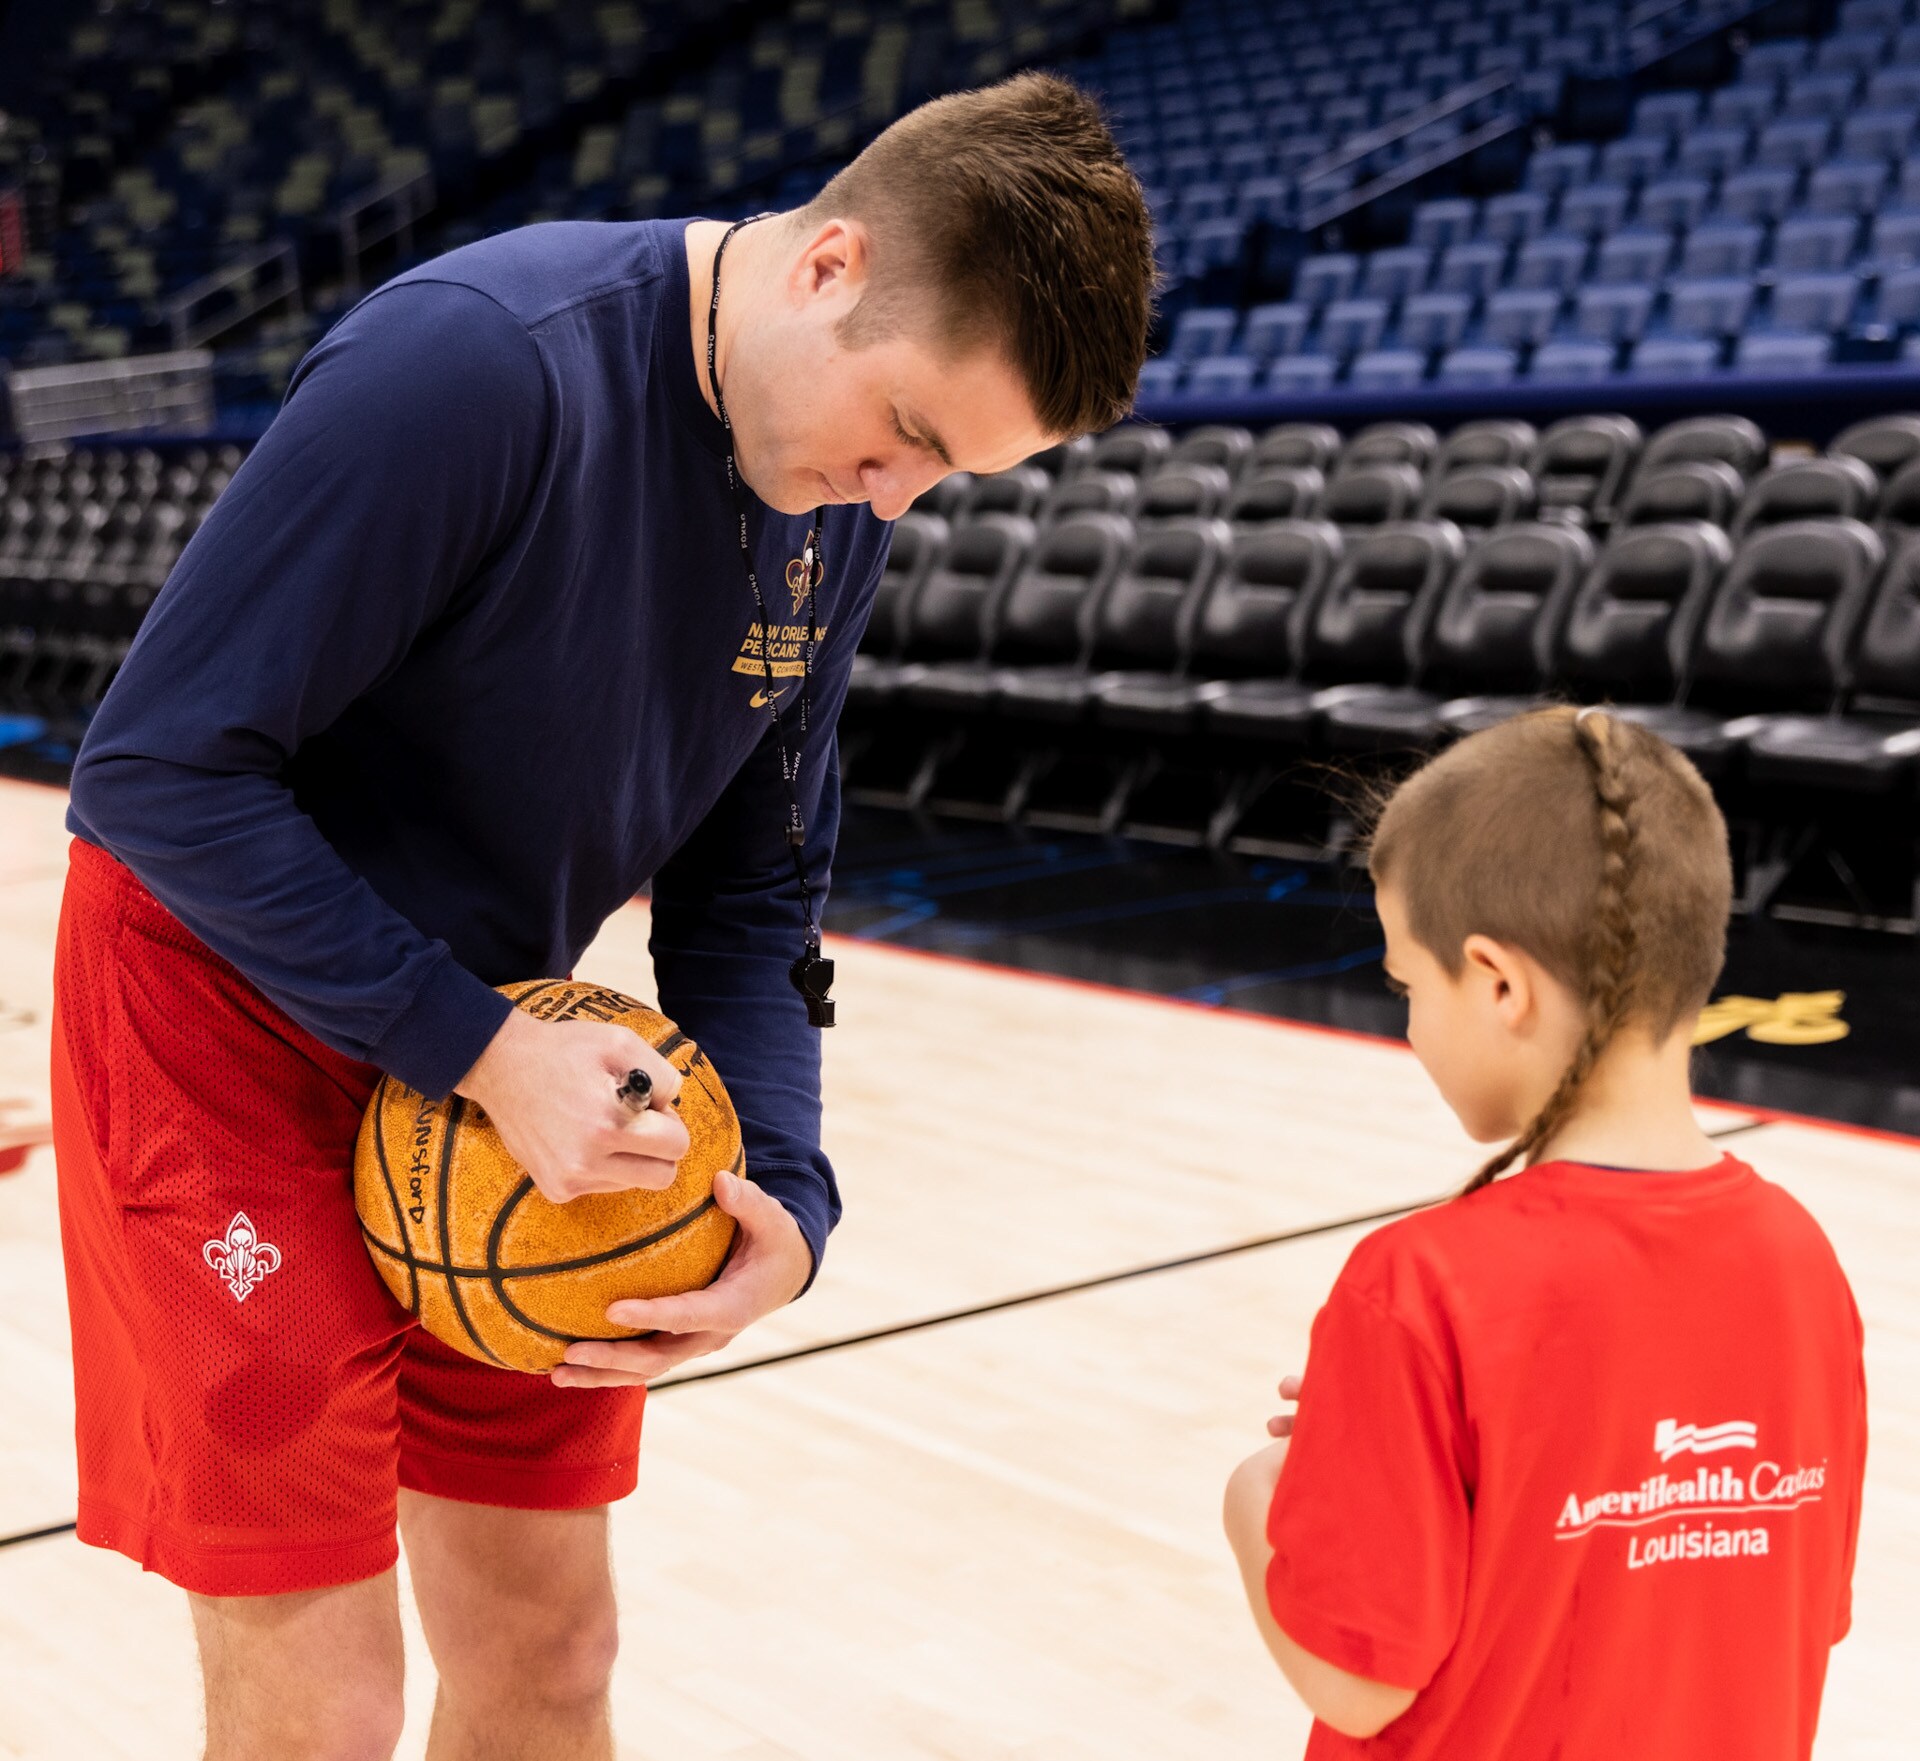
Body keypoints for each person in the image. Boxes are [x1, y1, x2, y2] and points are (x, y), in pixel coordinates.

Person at [50, 72, 1153, 1760]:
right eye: (913, 433)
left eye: (950, 475)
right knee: (325, 1708)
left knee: (552, 1652)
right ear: (831, 267)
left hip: (500, 1050)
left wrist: (785, 1188)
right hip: (229, 1019)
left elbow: (754, 883)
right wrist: (477, 1045)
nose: (896, 499)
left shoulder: (828, 498)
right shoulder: (473, 367)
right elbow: (156, 772)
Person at [1222, 708, 1867, 1759]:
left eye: (1407, 984)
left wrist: (1260, 1495)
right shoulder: (1804, 1262)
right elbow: (1782, 1600)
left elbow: (1356, 1681)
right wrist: (1384, 1453)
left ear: (1499, 983)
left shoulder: (1419, 1285)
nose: (1409, 1024)